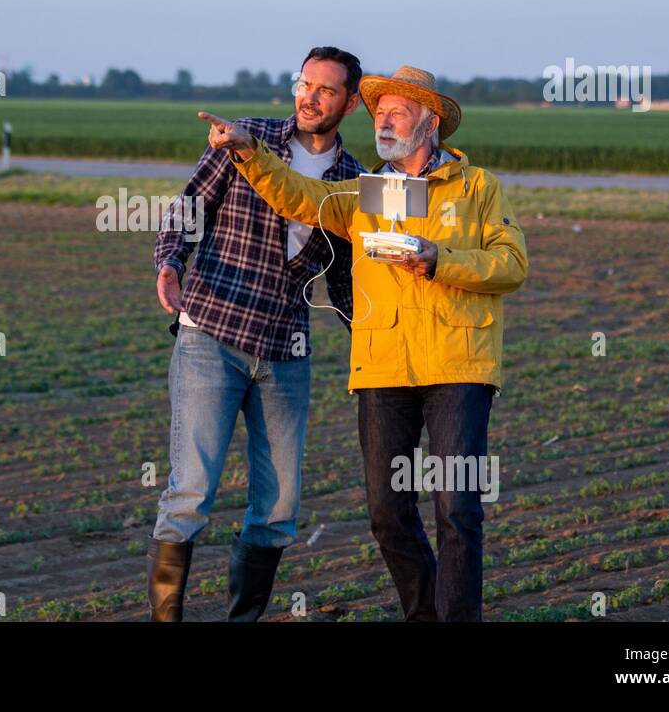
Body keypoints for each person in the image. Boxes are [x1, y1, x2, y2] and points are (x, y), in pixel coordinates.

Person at [198, 65, 528, 621]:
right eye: (378, 112)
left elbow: (512, 264)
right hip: (382, 368)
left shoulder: (478, 187)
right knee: (386, 512)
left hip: (458, 366)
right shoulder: (366, 191)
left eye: (396, 111)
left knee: (457, 509)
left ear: (430, 123)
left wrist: (438, 259)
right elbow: (301, 197)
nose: (383, 120)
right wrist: (251, 153)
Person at [147, 47, 368, 621]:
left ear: (350, 101)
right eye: (304, 84)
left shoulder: (353, 181)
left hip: (285, 351)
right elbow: (189, 206)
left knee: (277, 508)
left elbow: (344, 281)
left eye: (326, 90)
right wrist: (170, 263)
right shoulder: (248, 139)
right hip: (211, 334)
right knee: (191, 494)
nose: (310, 97)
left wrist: (379, 338)